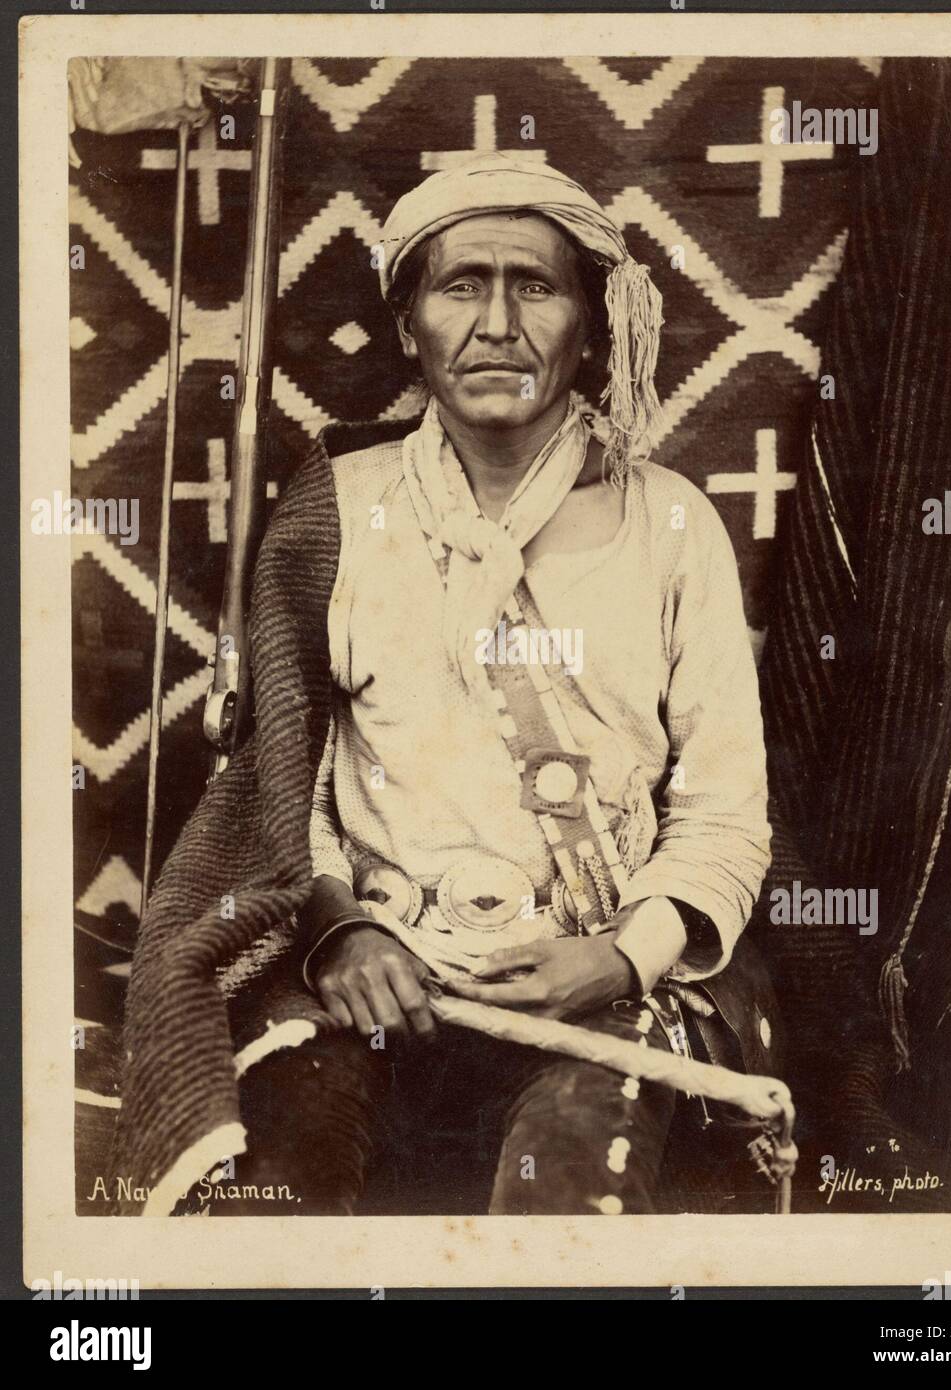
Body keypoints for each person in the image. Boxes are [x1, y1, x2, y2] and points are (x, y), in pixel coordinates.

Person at [116, 153, 773, 1218]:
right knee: (272, 1213)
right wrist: (341, 931)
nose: (498, 322)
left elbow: (723, 811)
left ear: (593, 326)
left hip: (594, 987)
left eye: (536, 285)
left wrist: (615, 957)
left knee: (567, 1208)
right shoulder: (335, 507)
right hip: (377, 979)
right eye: (461, 284)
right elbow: (286, 790)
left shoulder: (670, 524)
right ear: (407, 324)